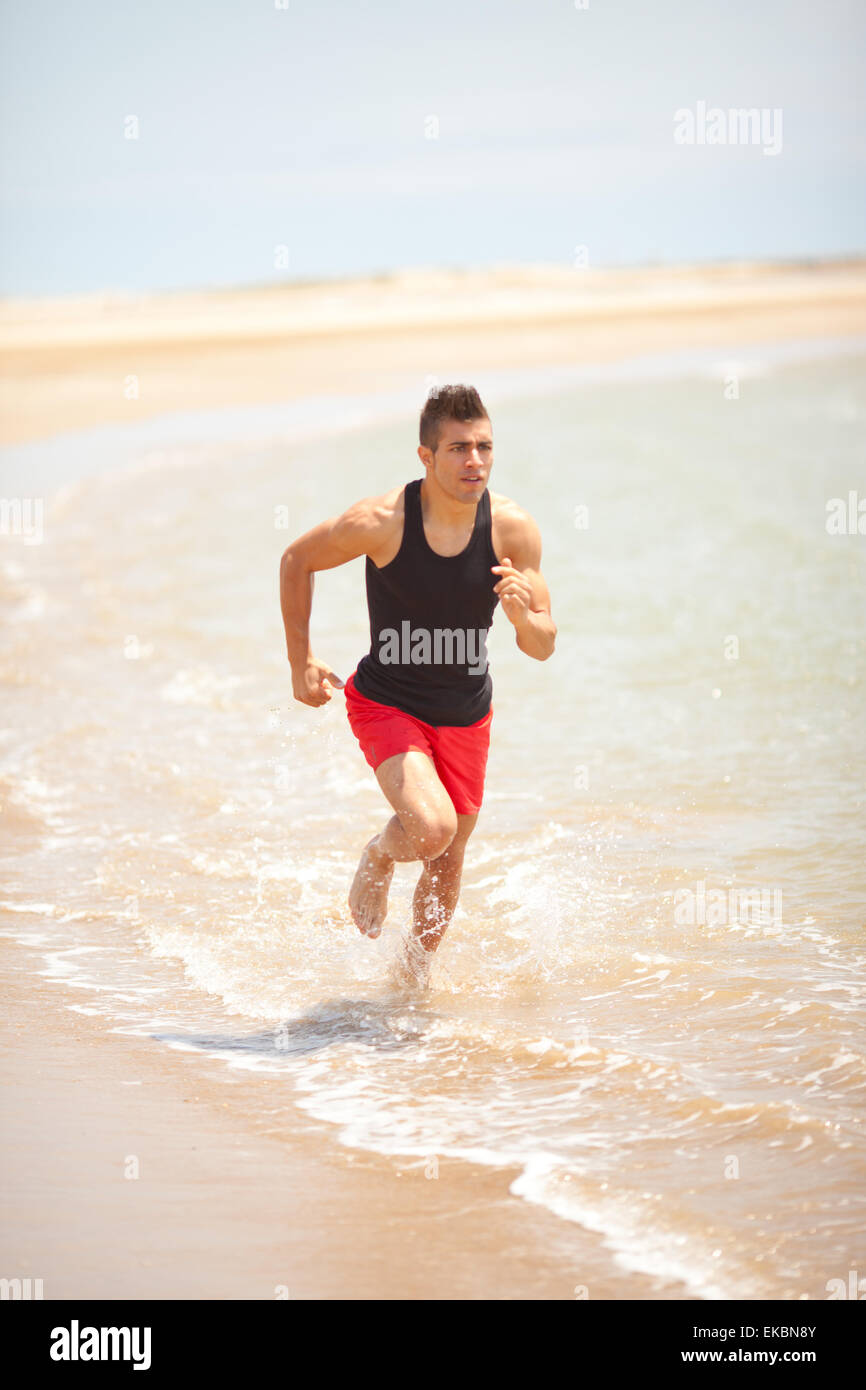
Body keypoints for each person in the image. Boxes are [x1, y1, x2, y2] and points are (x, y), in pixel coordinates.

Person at [279, 384, 556, 980]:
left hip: (466, 713)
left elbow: (544, 643)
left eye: (483, 447)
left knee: (449, 856)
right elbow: (296, 560)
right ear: (426, 457)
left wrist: (521, 619)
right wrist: (299, 660)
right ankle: (378, 854)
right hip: (387, 703)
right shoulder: (381, 522)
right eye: (458, 449)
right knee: (432, 829)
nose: (474, 461)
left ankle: (410, 985)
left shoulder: (512, 530)